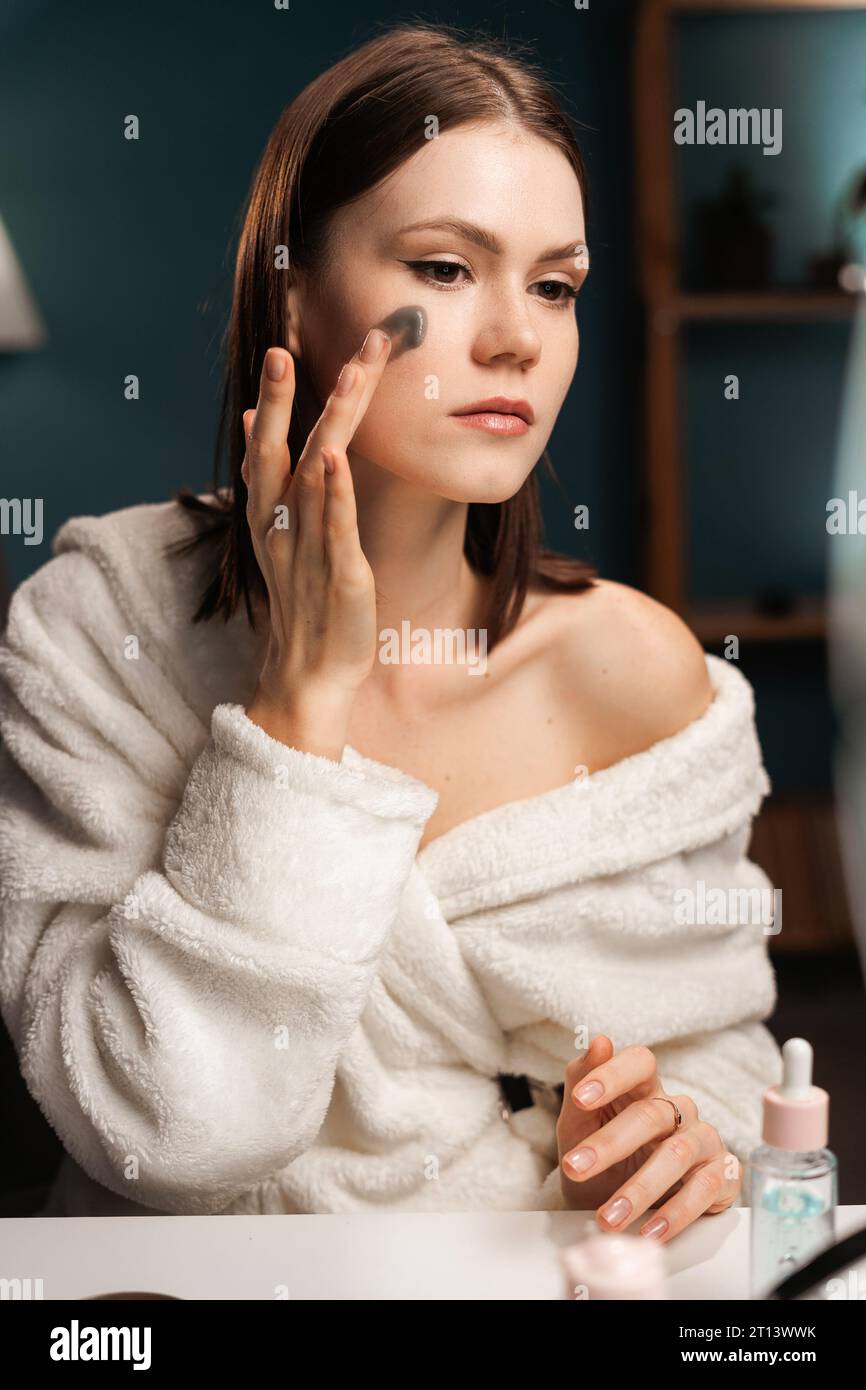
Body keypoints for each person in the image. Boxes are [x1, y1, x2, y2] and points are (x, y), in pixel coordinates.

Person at [0, 22, 781, 1233]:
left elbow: (721, 1050)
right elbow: (164, 1134)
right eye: (443, 268)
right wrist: (295, 720)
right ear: (293, 292)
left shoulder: (629, 669)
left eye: (555, 285)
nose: (517, 334)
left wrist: (669, 1132)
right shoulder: (98, 632)